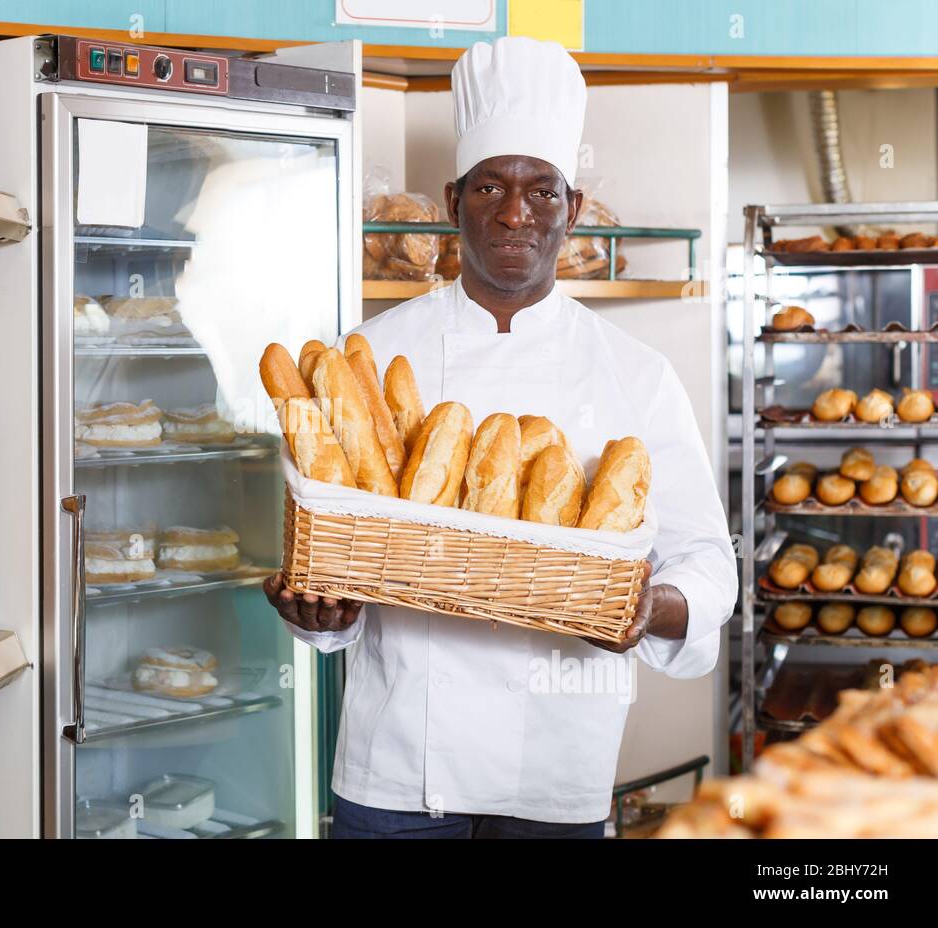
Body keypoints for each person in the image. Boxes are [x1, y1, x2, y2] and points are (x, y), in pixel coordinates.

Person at [262, 36, 737, 839]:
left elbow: (710, 564)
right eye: (491, 186)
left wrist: (646, 607)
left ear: (572, 209)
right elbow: (340, 560)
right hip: (397, 761)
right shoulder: (372, 354)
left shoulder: (635, 371)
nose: (516, 213)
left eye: (541, 191)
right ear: (454, 201)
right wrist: (321, 610)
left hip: (561, 764)